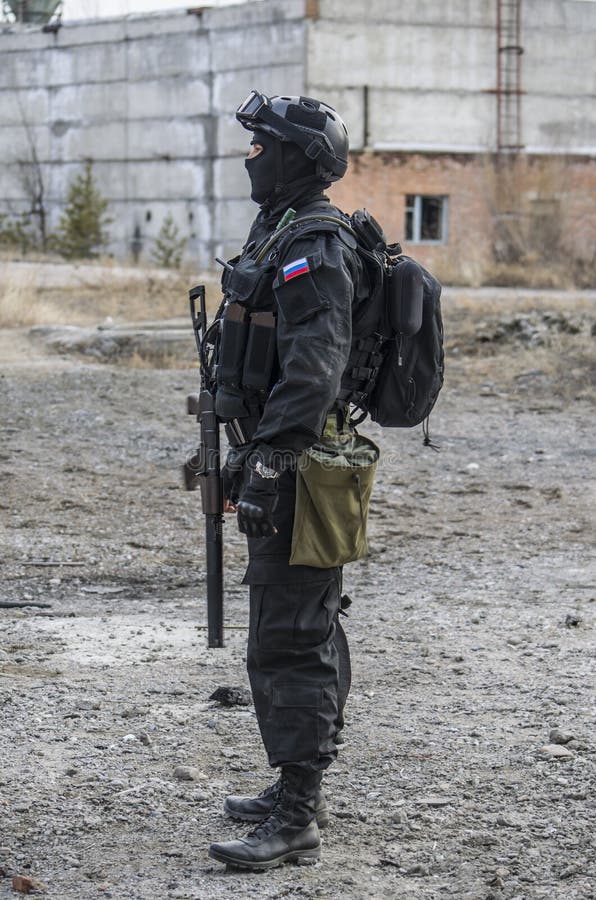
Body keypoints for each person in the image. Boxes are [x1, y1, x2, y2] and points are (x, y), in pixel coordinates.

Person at [207, 91, 365, 870]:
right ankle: (295, 788)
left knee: (290, 636)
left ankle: (297, 812)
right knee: (298, 623)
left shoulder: (315, 245)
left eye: (262, 145)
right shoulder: (279, 231)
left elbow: (315, 369)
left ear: (298, 158)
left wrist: (269, 460)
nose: (250, 156)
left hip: (303, 466)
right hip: (284, 455)